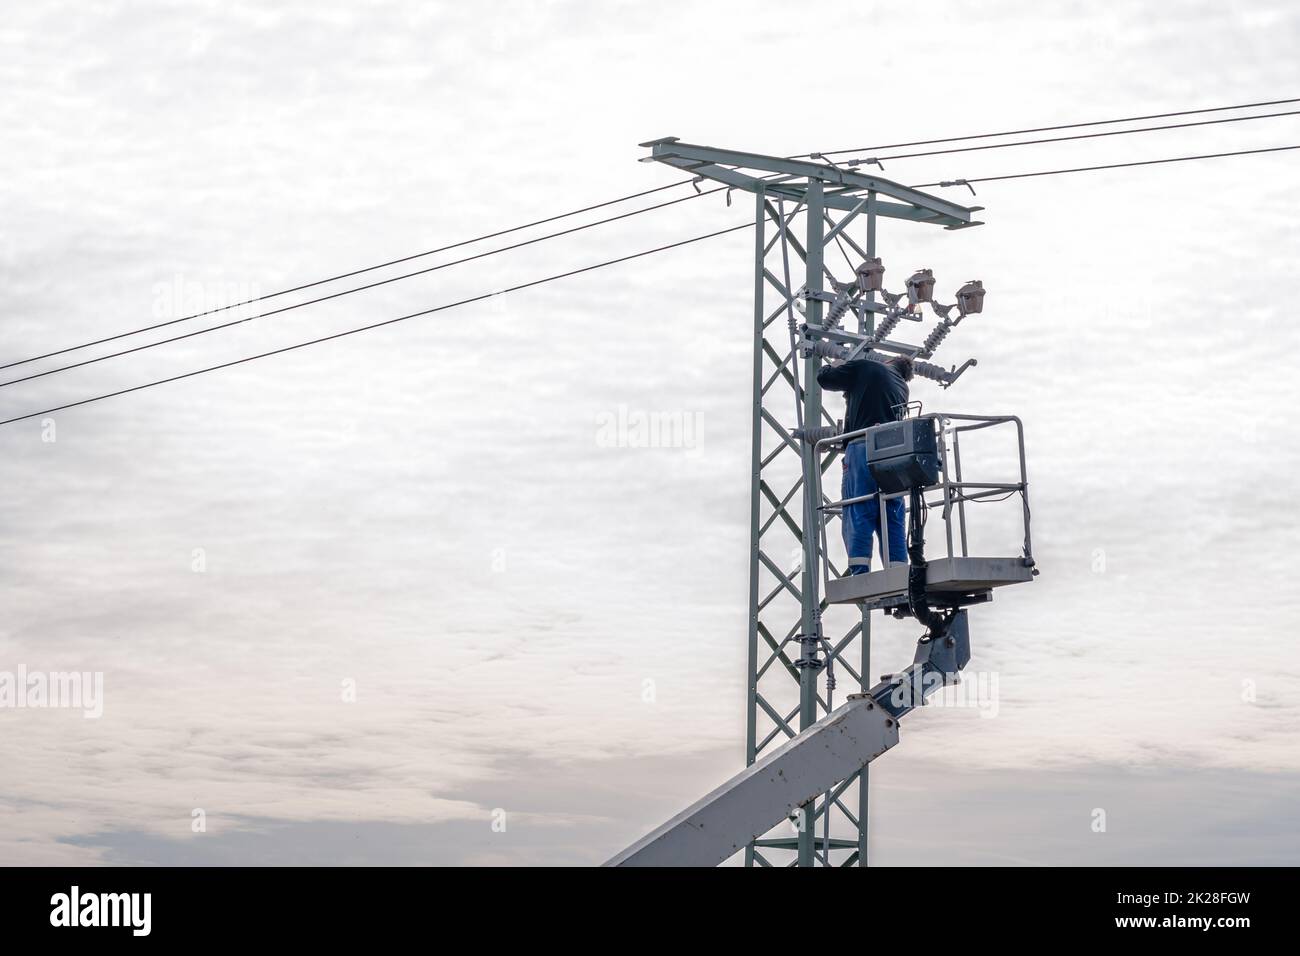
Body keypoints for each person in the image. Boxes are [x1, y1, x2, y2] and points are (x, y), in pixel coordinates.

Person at [816, 354, 914, 575]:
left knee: (859, 507)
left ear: (888, 361)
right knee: (891, 512)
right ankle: (898, 573)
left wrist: (834, 365)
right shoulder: (901, 388)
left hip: (863, 448)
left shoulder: (867, 367)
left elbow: (826, 379)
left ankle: (860, 572)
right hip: (893, 455)